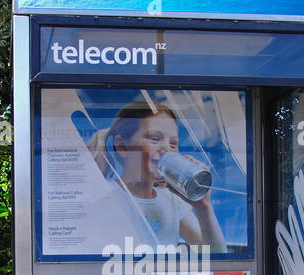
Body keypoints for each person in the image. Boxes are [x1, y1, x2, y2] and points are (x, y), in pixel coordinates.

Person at [87, 100, 227, 252]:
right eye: (154, 139)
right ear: (121, 146)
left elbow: (216, 256)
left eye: (173, 143)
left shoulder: (172, 200)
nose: (166, 149)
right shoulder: (105, 194)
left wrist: (203, 207)